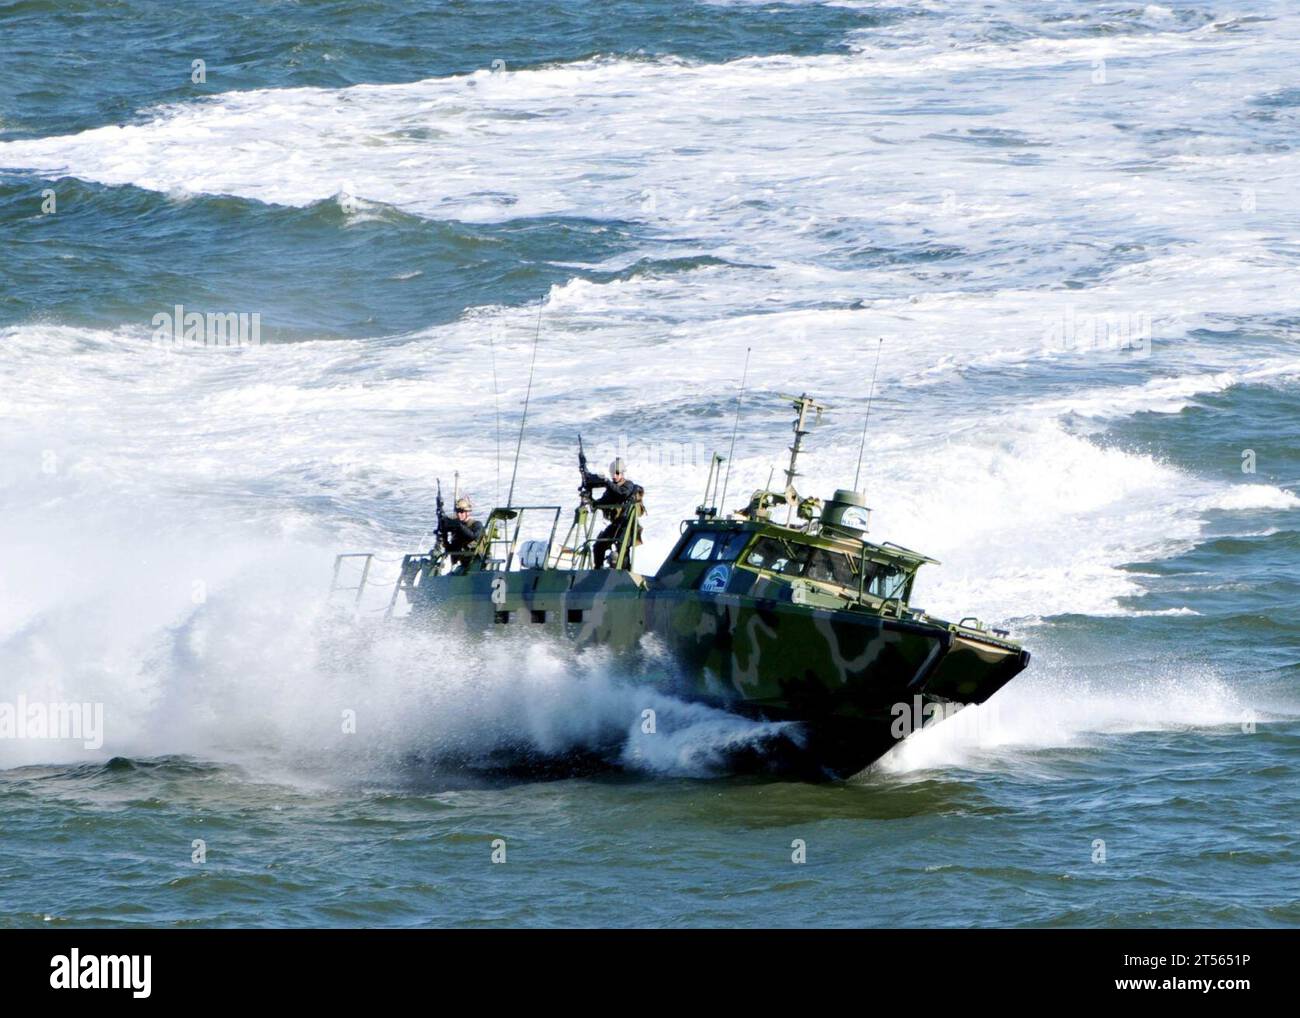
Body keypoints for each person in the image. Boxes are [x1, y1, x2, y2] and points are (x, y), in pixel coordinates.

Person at [584, 457, 645, 568]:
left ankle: (624, 573)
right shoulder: (611, 489)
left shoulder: (628, 485)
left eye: (617, 473)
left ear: (622, 473)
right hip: (616, 524)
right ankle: (598, 570)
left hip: (627, 525)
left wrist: (607, 482)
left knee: (622, 547)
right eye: (612, 473)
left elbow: (622, 493)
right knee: (598, 546)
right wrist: (590, 498)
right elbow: (600, 503)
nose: (614, 476)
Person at [439, 496, 484, 573]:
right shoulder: (456, 526)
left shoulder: (477, 525)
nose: (459, 514)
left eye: (462, 512)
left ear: (468, 512)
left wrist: (459, 525)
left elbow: (473, 536)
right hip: (460, 565)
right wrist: (444, 532)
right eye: (458, 512)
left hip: (476, 564)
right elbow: (450, 547)